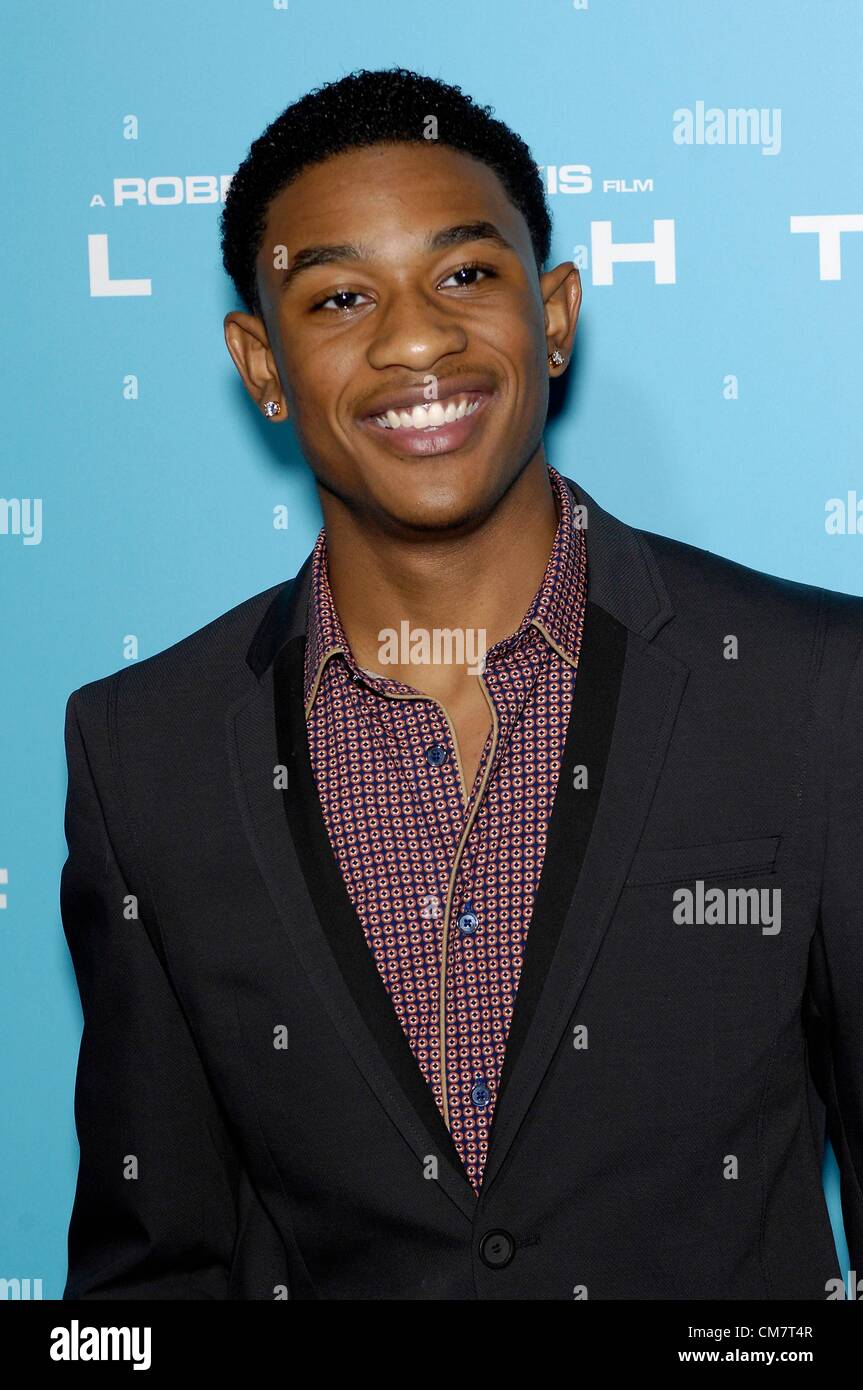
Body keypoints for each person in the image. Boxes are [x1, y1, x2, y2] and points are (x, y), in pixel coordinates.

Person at [61, 66, 863, 1300]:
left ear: (552, 315)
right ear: (260, 363)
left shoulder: (809, 688)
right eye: (336, 296)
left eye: (465, 275)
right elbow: (151, 1277)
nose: (415, 337)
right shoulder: (145, 751)